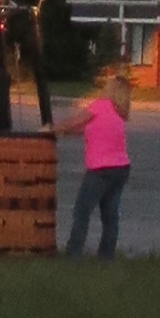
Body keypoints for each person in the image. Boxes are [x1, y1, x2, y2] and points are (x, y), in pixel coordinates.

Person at [66, 71, 133, 258]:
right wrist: (68, 132)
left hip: (100, 169)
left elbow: (76, 121)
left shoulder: (100, 106)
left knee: (82, 211)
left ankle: (73, 253)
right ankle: (106, 256)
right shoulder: (120, 112)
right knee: (110, 215)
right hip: (121, 168)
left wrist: (54, 128)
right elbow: (88, 129)